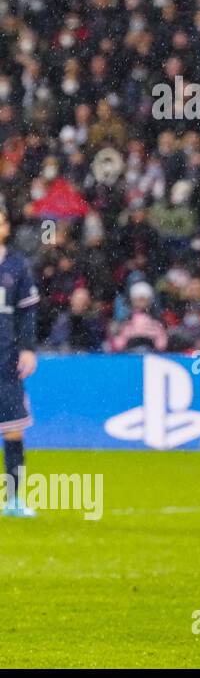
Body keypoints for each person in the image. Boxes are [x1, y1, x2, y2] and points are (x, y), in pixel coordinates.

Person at [0, 210, 40, 518]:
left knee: (13, 431)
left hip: (6, 360)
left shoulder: (16, 265)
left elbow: (27, 314)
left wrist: (28, 349)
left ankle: (13, 500)